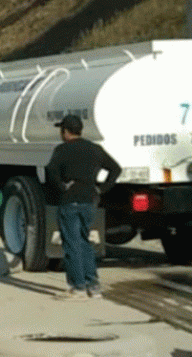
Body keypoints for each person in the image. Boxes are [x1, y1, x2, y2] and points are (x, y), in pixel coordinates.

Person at [46, 114, 121, 301]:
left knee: (71, 244)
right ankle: (93, 287)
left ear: (65, 131)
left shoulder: (62, 150)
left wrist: (62, 187)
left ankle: (78, 287)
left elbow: (51, 171)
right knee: (85, 242)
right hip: (90, 200)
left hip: (70, 200)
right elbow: (115, 169)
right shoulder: (95, 149)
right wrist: (101, 189)